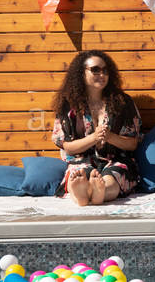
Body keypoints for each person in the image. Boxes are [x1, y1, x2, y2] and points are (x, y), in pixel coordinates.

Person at [51, 51, 142, 206]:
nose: (102, 74)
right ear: (81, 73)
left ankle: (99, 192)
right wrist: (93, 138)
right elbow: (68, 148)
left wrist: (109, 137)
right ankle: (83, 194)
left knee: (114, 176)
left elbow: (132, 143)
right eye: (95, 70)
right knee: (79, 175)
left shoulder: (122, 102)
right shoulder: (69, 106)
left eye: (105, 70)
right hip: (81, 161)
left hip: (116, 160)